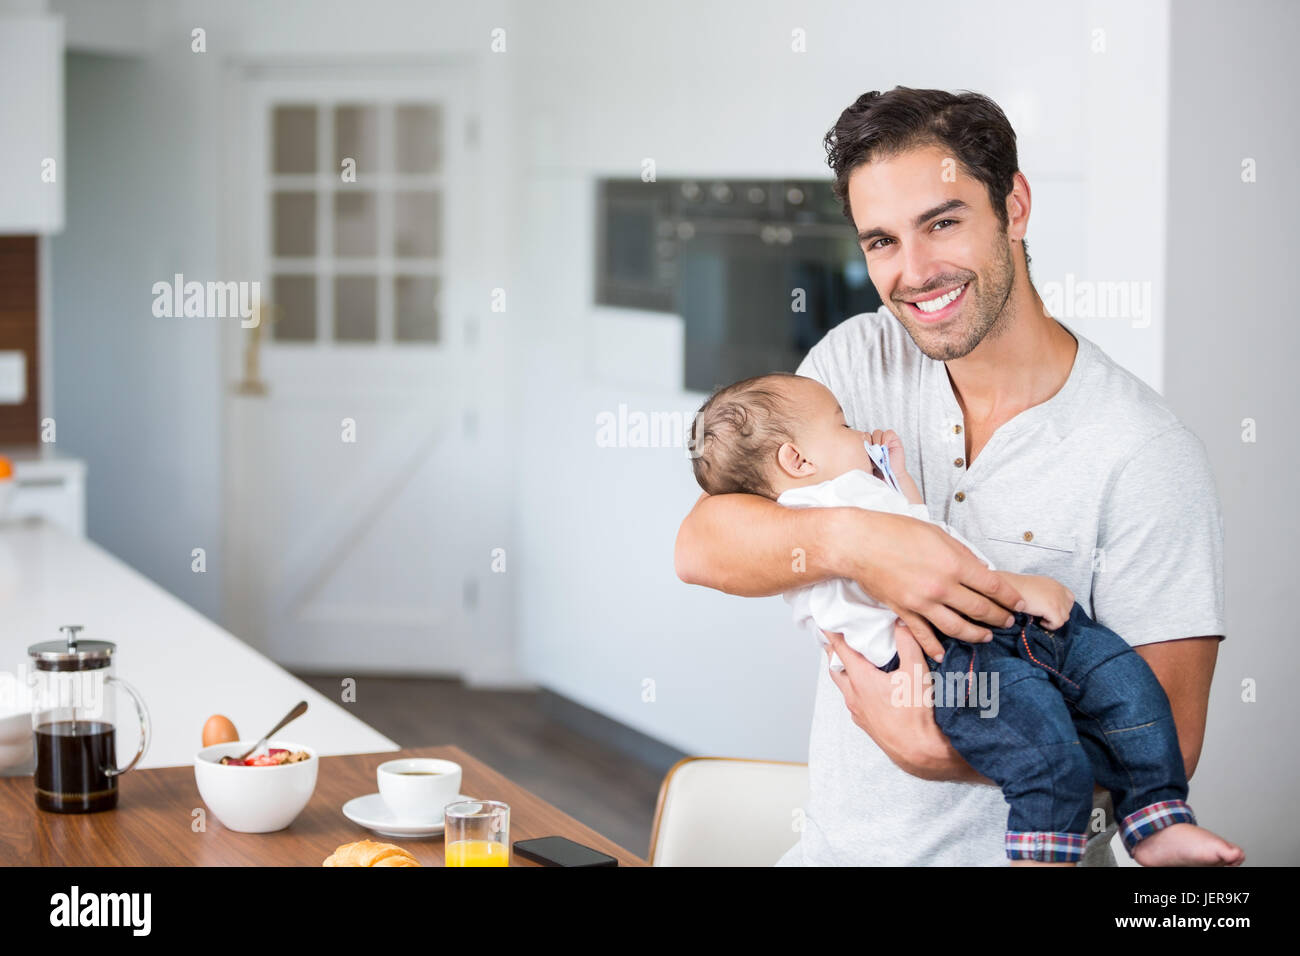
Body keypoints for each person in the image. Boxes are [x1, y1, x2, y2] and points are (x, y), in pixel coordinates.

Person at [674, 87, 1227, 866]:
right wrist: (862, 544)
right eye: (882, 241)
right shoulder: (854, 362)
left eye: (942, 223)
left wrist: (935, 751)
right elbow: (702, 544)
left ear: (1014, 207)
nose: (915, 272)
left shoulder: (1145, 453)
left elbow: (1169, 734)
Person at [687, 371, 1243, 866]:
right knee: (1044, 739)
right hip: (952, 658)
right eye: (844, 425)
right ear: (797, 461)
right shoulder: (806, 510)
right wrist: (1019, 589)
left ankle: (1157, 819)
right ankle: (1045, 852)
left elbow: (916, 529)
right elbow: (922, 579)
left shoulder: (847, 492)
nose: (859, 432)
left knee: (1123, 680)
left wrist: (894, 474)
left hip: (1007, 634)